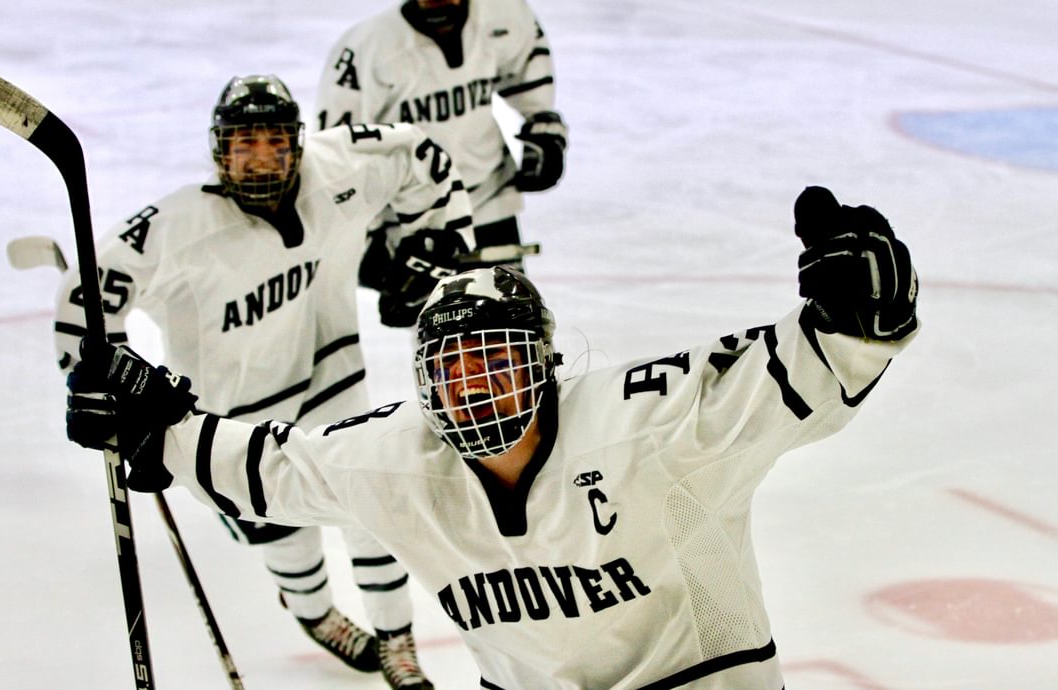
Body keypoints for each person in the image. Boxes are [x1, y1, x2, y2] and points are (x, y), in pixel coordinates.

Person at [64, 186, 919, 688]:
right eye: (451, 371)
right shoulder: (398, 459)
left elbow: (806, 374)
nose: (473, 389)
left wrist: (861, 313)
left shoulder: (653, 422)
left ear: (543, 363)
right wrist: (157, 421)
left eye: (496, 361)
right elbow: (269, 468)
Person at [53, 74, 476, 688]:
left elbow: (417, 152)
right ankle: (315, 615)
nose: (260, 158)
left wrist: (437, 239)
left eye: (275, 142)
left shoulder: (339, 169)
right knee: (288, 543)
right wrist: (99, 385)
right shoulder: (176, 227)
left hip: (334, 383)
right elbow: (82, 295)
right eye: (243, 143)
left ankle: (396, 638)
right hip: (232, 422)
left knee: (372, 508)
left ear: (298, 145)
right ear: (219, 150)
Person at [314, 0, 567, 326]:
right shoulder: (365, 48)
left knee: (514, 324)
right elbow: (341, 148)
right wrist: (368, 236)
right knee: (443, 337)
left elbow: (528, 61)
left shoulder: (503, 15)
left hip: (490, 196)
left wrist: (543, 126)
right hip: (418, 216)